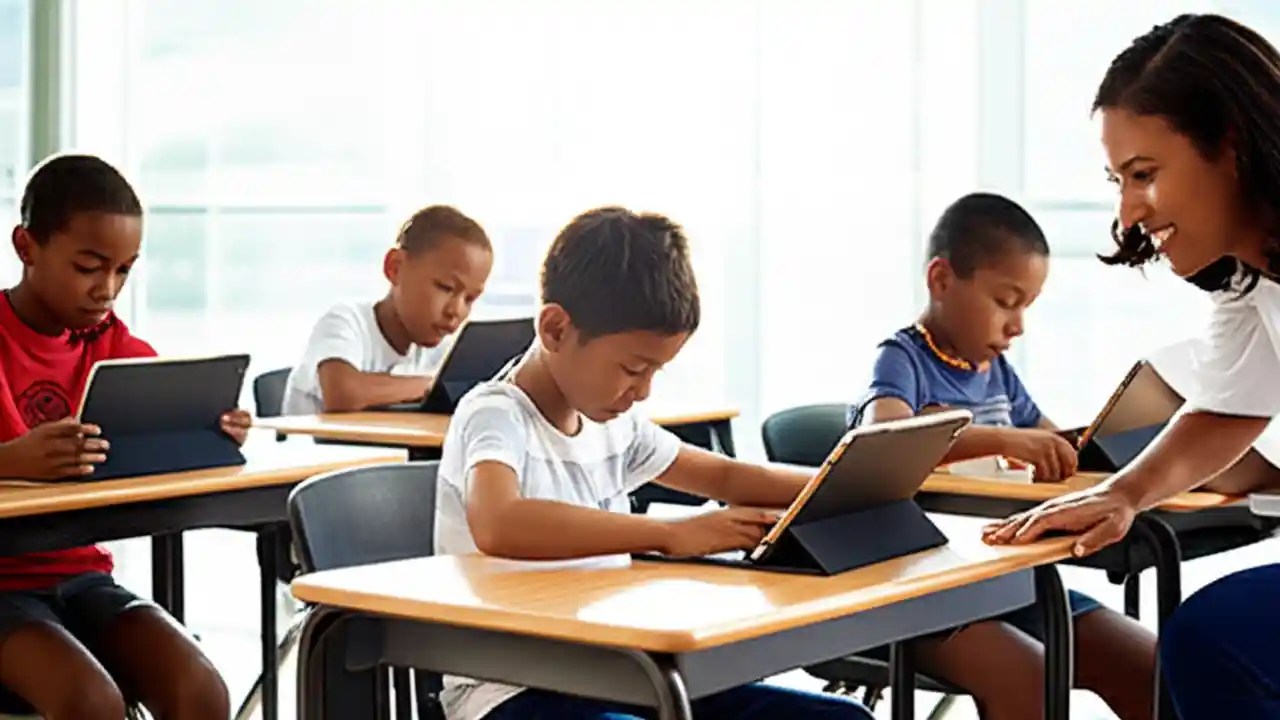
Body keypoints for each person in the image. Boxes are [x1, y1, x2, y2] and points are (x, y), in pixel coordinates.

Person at [435, 206, 873, 720]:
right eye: (632, 368)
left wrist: (852, 483)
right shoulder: (494, 414)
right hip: (511, 690)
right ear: (555, 329)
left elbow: (726, 476)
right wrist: (668, 533)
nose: (642, 391)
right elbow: (499, 522)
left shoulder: (610, 426)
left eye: (655, 371)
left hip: (616, 671)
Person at [982, 14, 1280, 720]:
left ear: (1229, 145)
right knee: (1205, 644)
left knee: (1214, 642)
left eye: (1144, 175)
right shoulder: (1247, 280)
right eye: (1119, 179)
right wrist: (1124, 494)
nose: (1128, 211)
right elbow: (1230, 407)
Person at [853, 192, 1155, 720]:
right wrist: (1000, 439)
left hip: (1011, 583)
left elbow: (1047, 442)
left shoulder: (996, 372)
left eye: (1026, 307)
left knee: (1147, 665)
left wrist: (1106, 445)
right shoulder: (902, 358)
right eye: (1006, 301)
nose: (1017, 326)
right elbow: (886, 437)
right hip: (918, 594)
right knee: (1032, 678)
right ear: (942, 280)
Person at [0, 154, 242, 718]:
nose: (107, 289)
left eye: (124, 270)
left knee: (202, 690)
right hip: (3, 584)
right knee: (92, 703)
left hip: (80, 576)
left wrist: (211, 427)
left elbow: (159, 416)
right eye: (88, 266)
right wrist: (7, 460)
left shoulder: (107, 343)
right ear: (27, 246)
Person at [282, 205, 493, 414]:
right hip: (317, 448)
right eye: (445, 288)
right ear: (395, 267)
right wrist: (433, 386)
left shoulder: (439, 350)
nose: (455, 311)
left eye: (470, 299)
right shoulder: (345, 321)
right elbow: (343, 394)